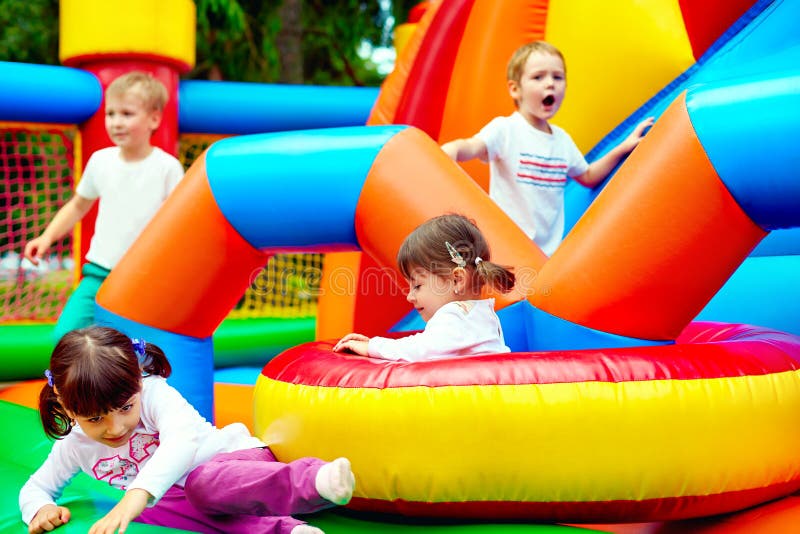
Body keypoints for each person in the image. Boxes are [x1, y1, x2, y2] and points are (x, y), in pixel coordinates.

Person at [20, 326, 355, 534]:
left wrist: (135, 496)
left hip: (236, 465)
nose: (116, 427)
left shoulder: (153, 393)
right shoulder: (75, 445)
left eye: (125, 408)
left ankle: (312, 480)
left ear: (137, 381)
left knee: (198, 486)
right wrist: (41, 508)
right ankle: (287, 531)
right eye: (95, 419)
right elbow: (36, 486)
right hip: (189, 500)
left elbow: (182, 442)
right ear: (65, 404)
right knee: (157, 510)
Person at [441, 41, 654, 256]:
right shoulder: (506, 129)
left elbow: (588, 176)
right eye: (538, 77)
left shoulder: (562, 140)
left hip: (547, 256)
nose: (550, 84)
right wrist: (452, 151)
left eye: (557, 77)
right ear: (515, 89)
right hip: (505, 246)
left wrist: (624, 147)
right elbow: (471, 146)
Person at [23, 72, 185, 342]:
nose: (116, 122)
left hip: (146, 277)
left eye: (127, 113)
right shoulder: (101, 161)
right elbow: (77, 206)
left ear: (154, 119)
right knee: (65, 338)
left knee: (138, 346)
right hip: (99, 274)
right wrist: (47, 237)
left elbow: (178, 223)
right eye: (110, 114)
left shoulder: (167, 167)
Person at [333, 214, 515, 362]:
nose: (410, 297)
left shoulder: (455, 315)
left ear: (457, 280)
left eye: (418, 285)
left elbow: (421, 350)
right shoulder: (484, 315)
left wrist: (372, 347)